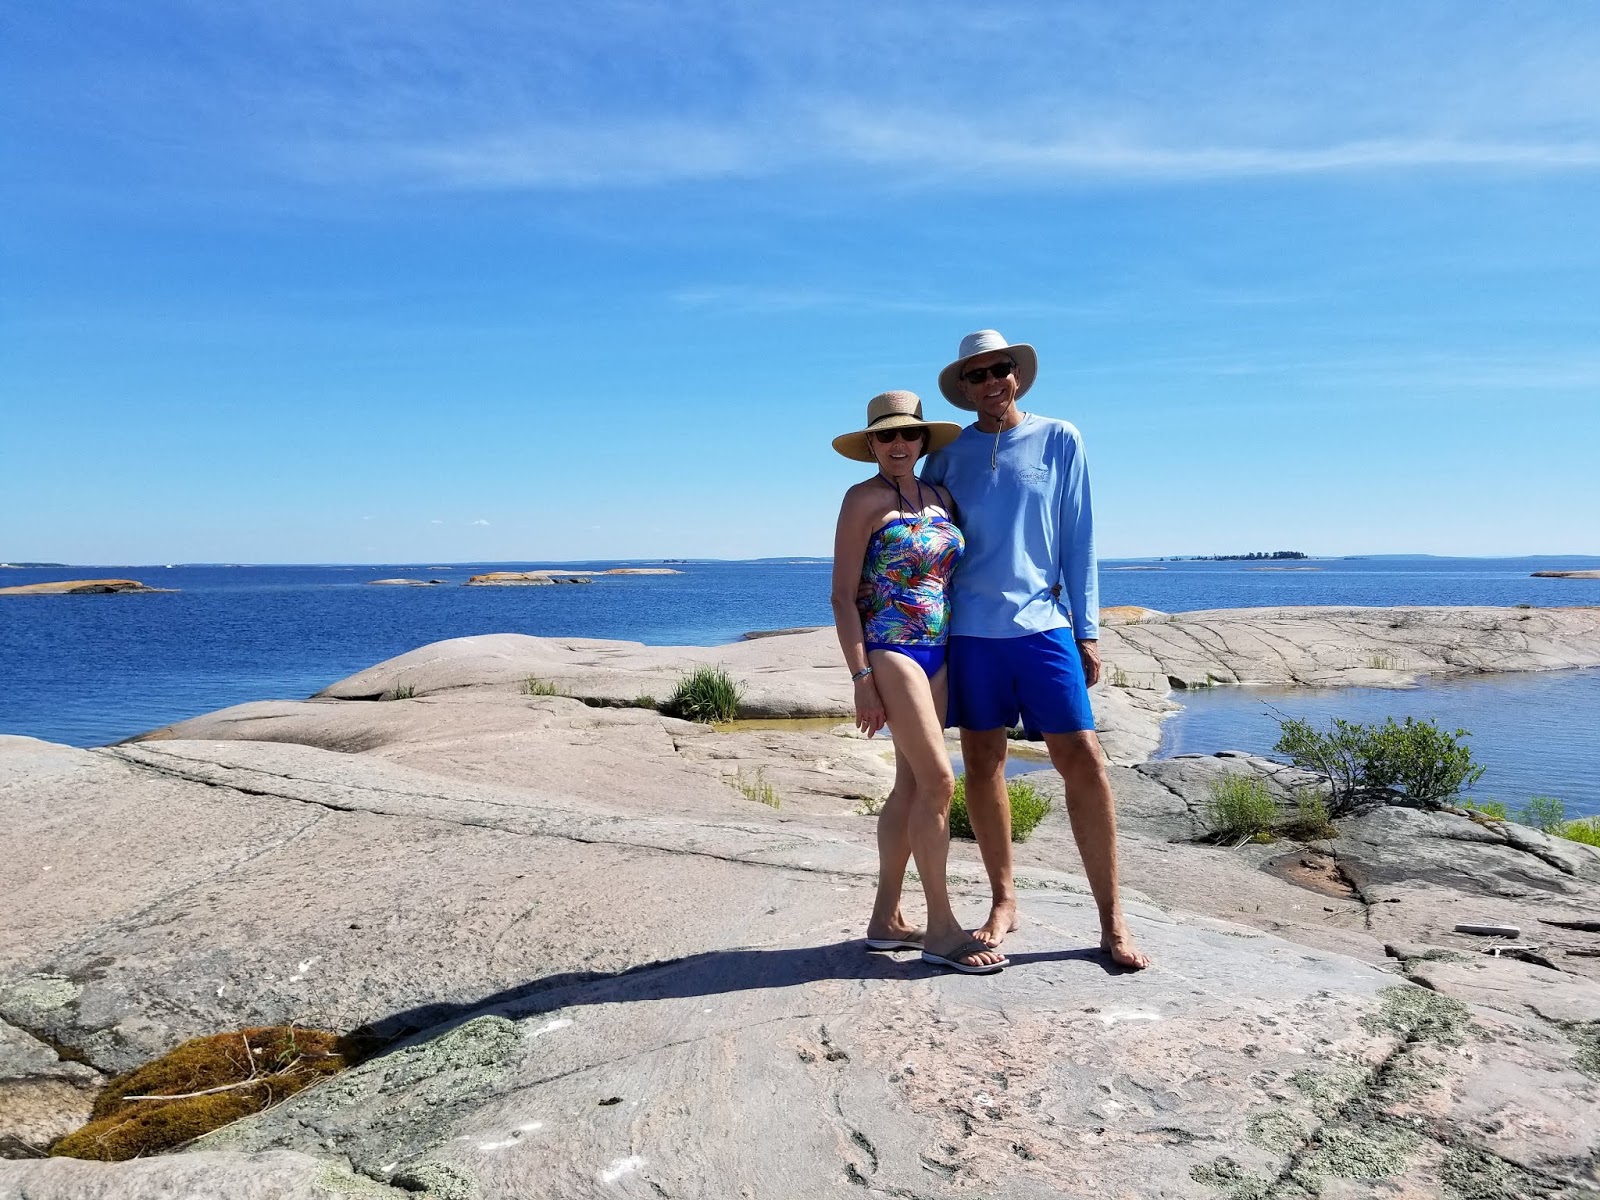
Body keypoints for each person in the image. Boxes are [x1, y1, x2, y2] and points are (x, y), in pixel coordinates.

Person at [922, 331, 1151, 970]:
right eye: (978, 374)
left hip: (1043, 625)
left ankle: (1112, 921)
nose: (992, 381)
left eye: (1001, 369)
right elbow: (924, 535)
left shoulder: (1059, 438)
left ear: (1017, 376)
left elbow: (1081, 536)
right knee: (983, 761)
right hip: (969, 631)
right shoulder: (947, 456)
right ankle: (1002, 900)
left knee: (1083, 758)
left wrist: (1087, 629)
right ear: (964, 388)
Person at [830, 390, 1008, 975]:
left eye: (909, 435)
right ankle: (942, 929)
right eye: (886, 436)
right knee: (938, 784)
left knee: (909, 787)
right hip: (891, 648)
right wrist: (861, 676)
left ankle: (886, 920)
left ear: (922, 441)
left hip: (939, 649)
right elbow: (841, 595)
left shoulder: (940, 497)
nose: (899, 444)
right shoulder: (862, 500)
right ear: (872, 446)